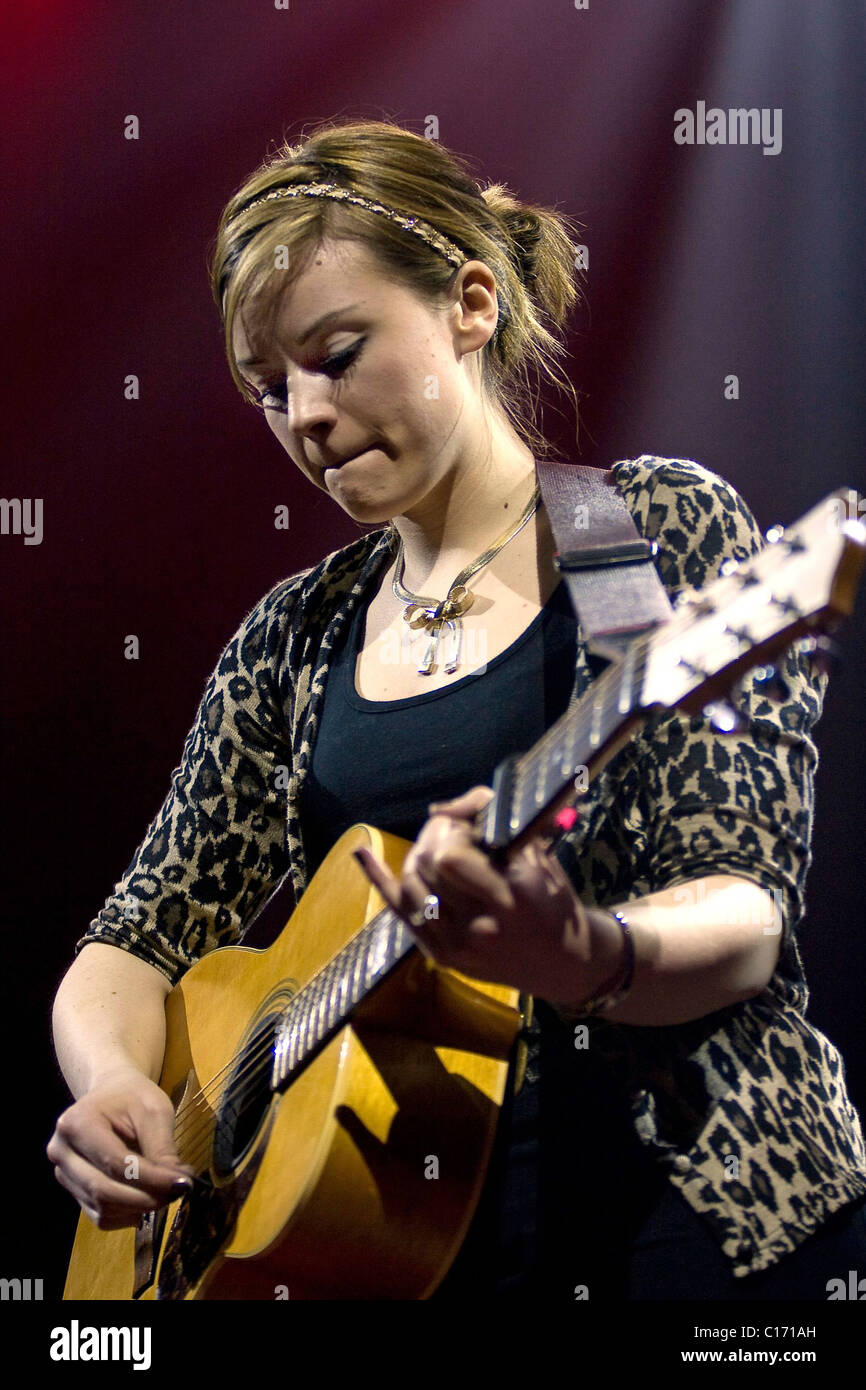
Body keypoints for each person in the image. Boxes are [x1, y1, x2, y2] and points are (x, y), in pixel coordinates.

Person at [47, 118, 866, 1300]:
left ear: (470, 305)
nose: (306, 419)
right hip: (392, 1248)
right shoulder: (290, 638)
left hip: (687, 1210)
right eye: (268, 390)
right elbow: (129, 941)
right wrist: (114, 1082)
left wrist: (586, 952)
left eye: (335, 354)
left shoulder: (641, 534)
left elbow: (745, 913)